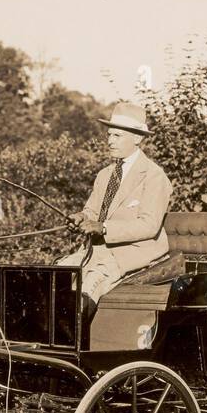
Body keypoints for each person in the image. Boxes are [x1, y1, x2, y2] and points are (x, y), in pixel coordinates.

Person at [56, 102, 172, 318]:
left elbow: (149, 225)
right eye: (109, 135)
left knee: (91, 282)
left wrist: (104, 228)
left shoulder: (154, 176)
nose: (109, 141)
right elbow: (91, 211)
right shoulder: (105, 175)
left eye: (117, 136)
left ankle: (76, 346)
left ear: (137, 138)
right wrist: (81, 218)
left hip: (135, 251)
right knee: (57, 273)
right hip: (98, 250)